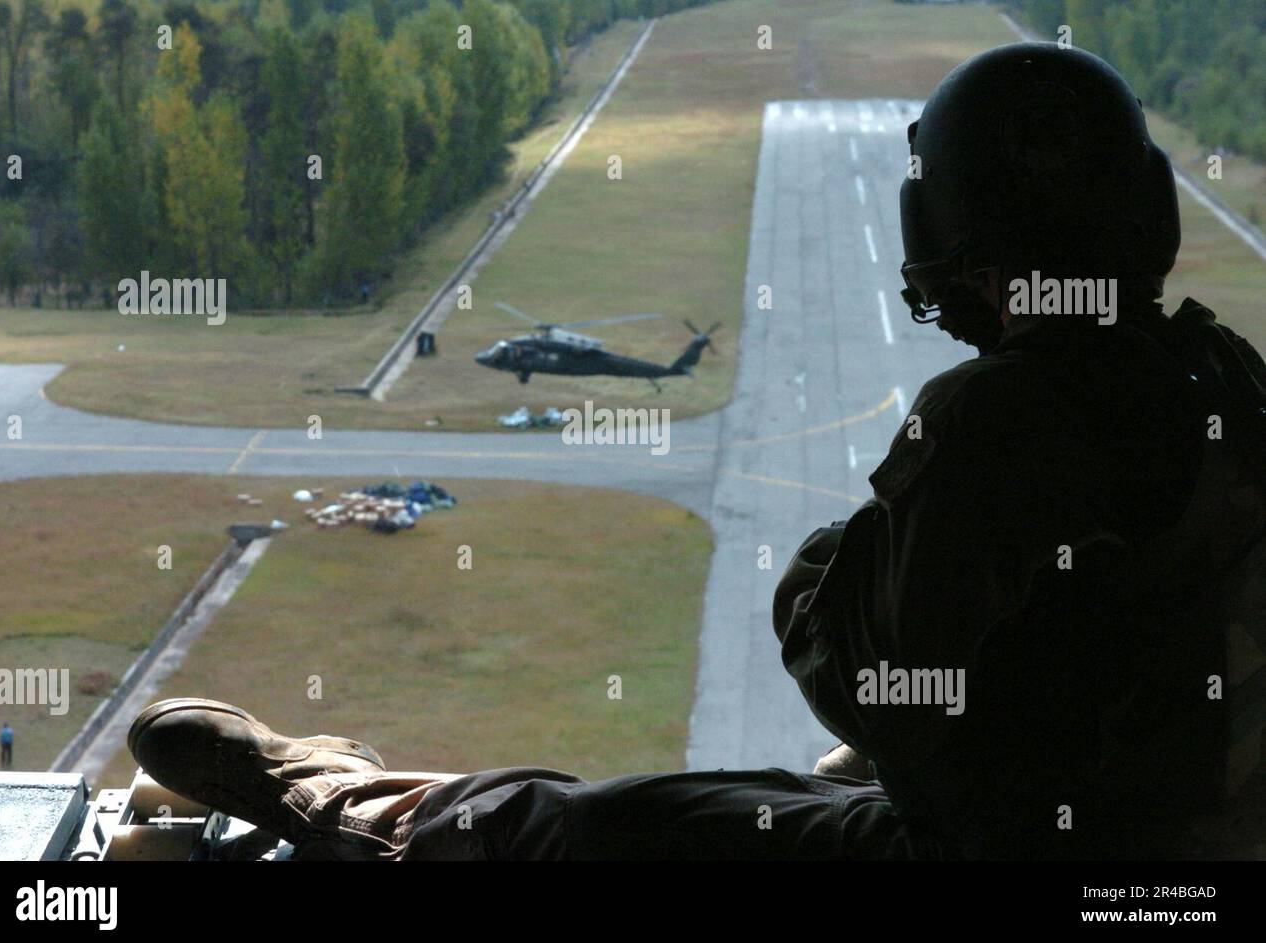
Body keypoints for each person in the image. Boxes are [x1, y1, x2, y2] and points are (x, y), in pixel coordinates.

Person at [128, 42, 1266, 860]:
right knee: (797, 789)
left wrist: (837, 562)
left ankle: (336, 801)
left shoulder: (1004, 417)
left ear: (951, 238)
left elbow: (858, 677)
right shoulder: (1225, 372)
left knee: (604, 823)